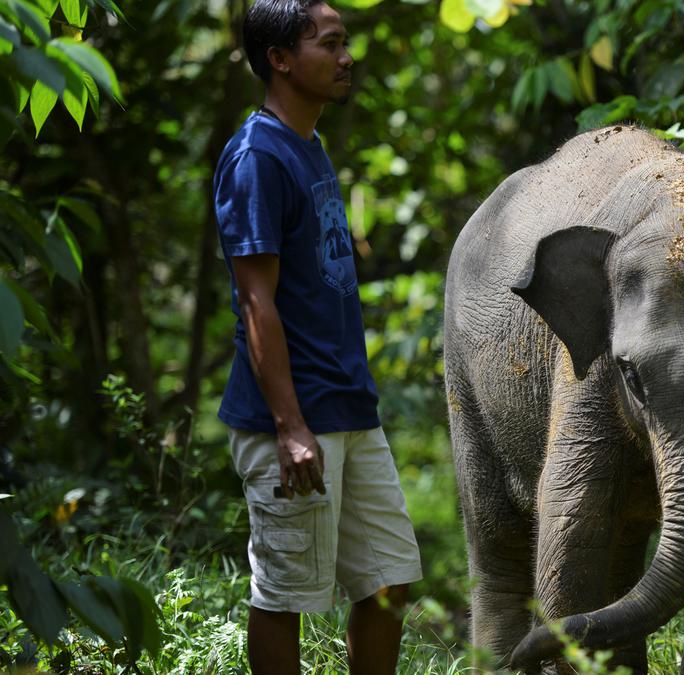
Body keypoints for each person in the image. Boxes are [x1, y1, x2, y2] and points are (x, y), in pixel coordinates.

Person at [212, 1, 422, 673]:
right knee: (285, 596)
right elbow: (256, 300)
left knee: (389, 580)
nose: (346, 57)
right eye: (329, 44)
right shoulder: (256, 158)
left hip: (349, 408)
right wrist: (290, 424)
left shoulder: (308, 144)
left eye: (345, 42)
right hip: (293, 420)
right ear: (279, 58)